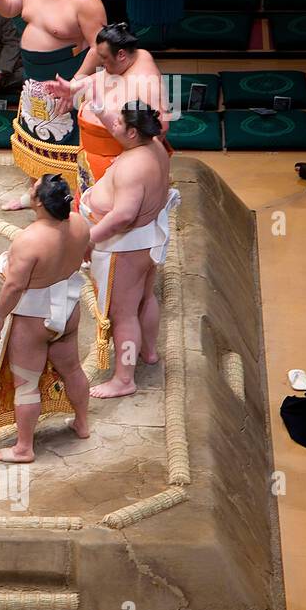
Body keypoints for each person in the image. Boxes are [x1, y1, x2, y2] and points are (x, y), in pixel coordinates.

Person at [0, 0, 107, 189]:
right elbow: (9, 7)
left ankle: (73, 194)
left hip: (66, 74)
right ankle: (38, 188)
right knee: (35, 129)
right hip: (32, 73)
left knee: (65, 136)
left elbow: (99, 47)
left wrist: (77, 83)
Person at [0, 174, 91, 461]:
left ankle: (23, 448)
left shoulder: (28, 240)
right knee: (73, 369)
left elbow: (15, 285)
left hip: (34, 317)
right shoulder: (80, 223)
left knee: (27, 382)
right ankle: (82, 423)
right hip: (68, 310)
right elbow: (86, 254)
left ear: (40, 202)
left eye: (32, 189)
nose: (28, 190)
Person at [80, 102, 177, 400]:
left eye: (120, 125)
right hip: (146, 240)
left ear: (133, 132)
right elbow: (117, 125)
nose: (114, 126)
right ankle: (148, 352)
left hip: (125, 246)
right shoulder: (156, 144)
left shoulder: (134, 166)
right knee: (145, 297)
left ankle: (124, 379)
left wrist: (88, 240)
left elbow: (123, 215)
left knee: (123, 314)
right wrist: (96, 106)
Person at [51, 22, 171, 201]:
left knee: (109, 213)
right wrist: (74, 87)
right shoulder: (136, 56)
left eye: (104, 58)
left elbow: (160, 128)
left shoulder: (146, 83)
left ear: (121, 54)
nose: (101, 62)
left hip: (118, 163)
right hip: (93, 157)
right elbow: (103, 76)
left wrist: (133, 160)